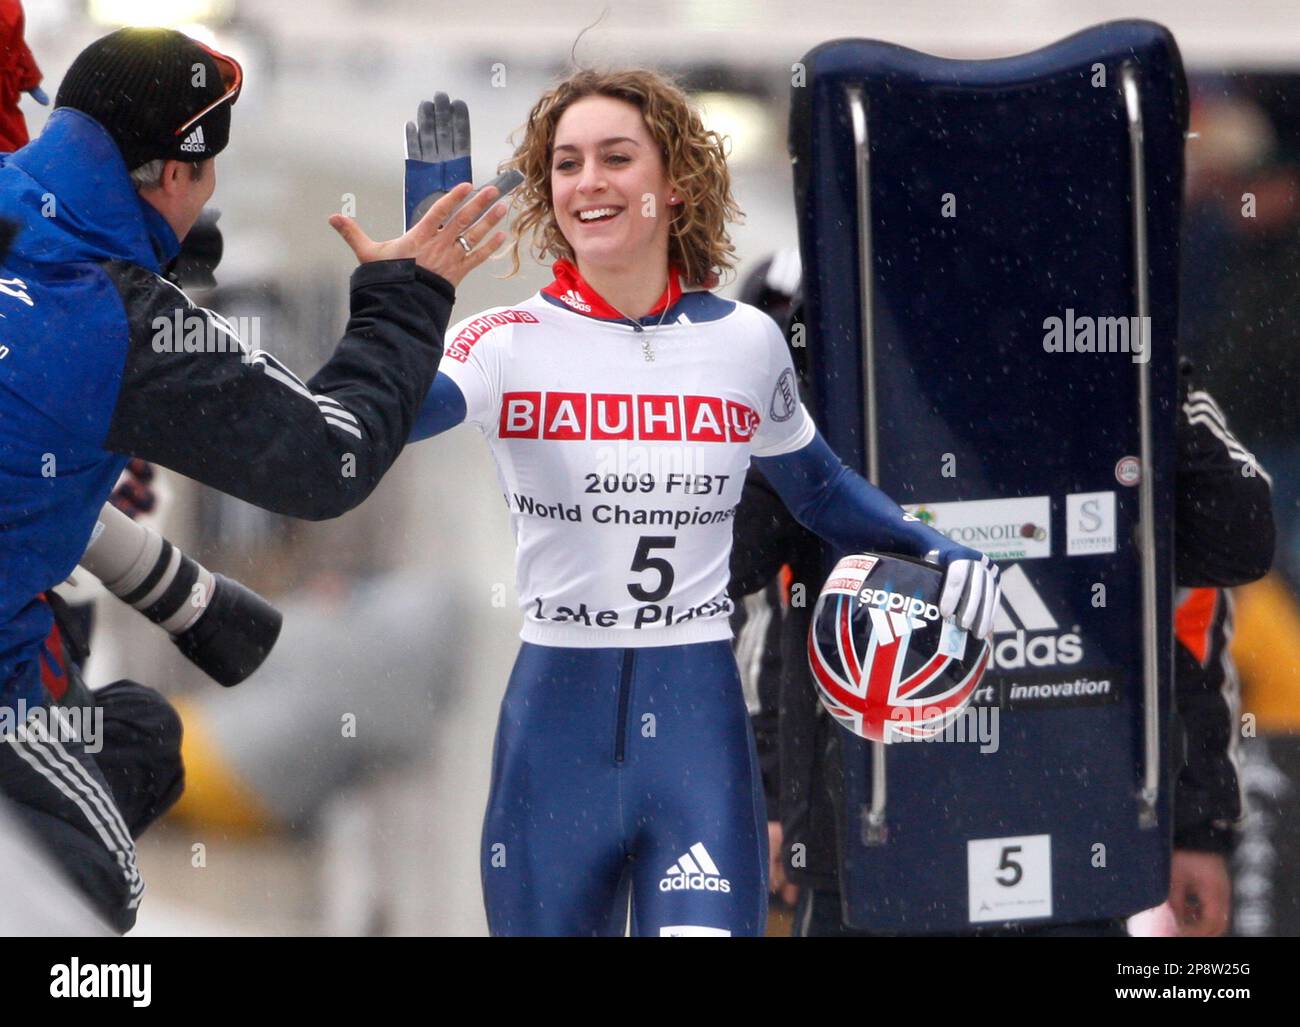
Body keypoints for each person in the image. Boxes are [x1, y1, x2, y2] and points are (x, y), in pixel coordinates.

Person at [407, 69, 1001, 937]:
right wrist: (419, 288)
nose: (589, 182)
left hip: (694, 732)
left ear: (674, 181)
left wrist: (939, 549)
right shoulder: (504, 342)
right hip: (554, 734)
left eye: (617, 157)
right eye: (566, 164)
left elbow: (823, 491)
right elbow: (381, 422)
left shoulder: (744, 341)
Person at [0, 27, 506, 933]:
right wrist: (409, 294)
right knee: (111, 821)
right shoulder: (117, 318)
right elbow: (331, 452)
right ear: (176, 176)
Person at [730, 258, 1275, 938]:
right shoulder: (829, 385)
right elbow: (739, 590)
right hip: (868, 843)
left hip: (1068, 832)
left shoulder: (1106, 369)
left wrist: (1198, 823)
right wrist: (773, 796)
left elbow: (1231, 555)